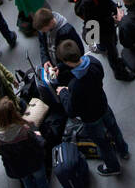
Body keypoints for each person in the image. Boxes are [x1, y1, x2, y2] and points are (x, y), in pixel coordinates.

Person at [50, 38, 130, 177]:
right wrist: (63, 68)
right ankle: (123, 150)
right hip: (103, 105)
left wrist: (63, 92)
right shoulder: (94, 62)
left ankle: (112, 166)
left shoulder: (75, 85)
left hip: (91, 118)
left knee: (102, 143)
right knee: (113, 128)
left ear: (67, 61)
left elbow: (71, 110)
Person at [0, 97, 65, 188]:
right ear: (13, 114)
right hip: (34, 164)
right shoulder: (24, 130)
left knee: (28, 185)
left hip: (17, 168)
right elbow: (41, 143)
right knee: (42, 184)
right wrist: (37, 134)